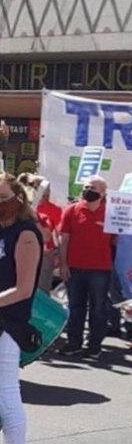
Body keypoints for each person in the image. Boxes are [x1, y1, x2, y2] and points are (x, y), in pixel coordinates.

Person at [0, 174, 43, 444]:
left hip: (10, 325)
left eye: (3, 198)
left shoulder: (26, 233)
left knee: (7, 393)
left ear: (18, 199)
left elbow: (24, 289)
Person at [57, 176, 114, 359]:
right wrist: (63, 263)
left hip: (101, 269)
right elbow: (63, 238)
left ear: (103, 192)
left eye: (93, 187)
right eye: (86, 186)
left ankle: (94, 345)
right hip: (75, 267)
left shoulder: (112, 213)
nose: (88, 189)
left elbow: (119, 240)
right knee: (75, 307)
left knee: (98, 308)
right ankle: (74, 343)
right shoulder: (71, 210)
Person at [31, 177, 61, 294]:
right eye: (41, 190)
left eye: (47, 190)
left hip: (45, 253)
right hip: (25, 251)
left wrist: (60, 255)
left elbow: (59, 233)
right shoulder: (24, 207)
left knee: (42, 289)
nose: (46, 193)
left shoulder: (55, 210)